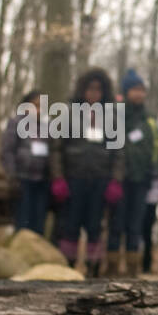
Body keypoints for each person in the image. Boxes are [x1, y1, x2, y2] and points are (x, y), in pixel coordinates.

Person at [49, 69, 120, 276]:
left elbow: (118, 151)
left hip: (100, 180)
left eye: (98, 89)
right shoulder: (68, 113)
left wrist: (115, 180)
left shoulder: (111, 116)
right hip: (73, 178)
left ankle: (94, 269)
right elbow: (56, 148)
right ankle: (68, 267)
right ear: (82, 90)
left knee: (95, 226)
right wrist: (58, 177)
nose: (94, 93)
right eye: (90, 88)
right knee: (70, 225)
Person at [106, 70, 158, 276]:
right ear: (126, 91)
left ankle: (131, 270)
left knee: (135, 225)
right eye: (135, 90)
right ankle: (111, 267)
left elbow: (155, 144)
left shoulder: (149, 118)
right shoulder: (116, 115)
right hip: (120, 180)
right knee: (116, 223)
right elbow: (111, 147)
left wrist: (155, 165)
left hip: (142, 179)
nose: (139, 94)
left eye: (142, 90)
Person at [1, 90, 51, 234]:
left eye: (41, 106)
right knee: (23, 221)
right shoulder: (16, 123)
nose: (38, 110)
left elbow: (53, 151)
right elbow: (7, 151)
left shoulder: (47, 126)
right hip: (22, 180)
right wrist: (12, 175)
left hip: (42, 181)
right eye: (35, 105)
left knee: (39, 222)